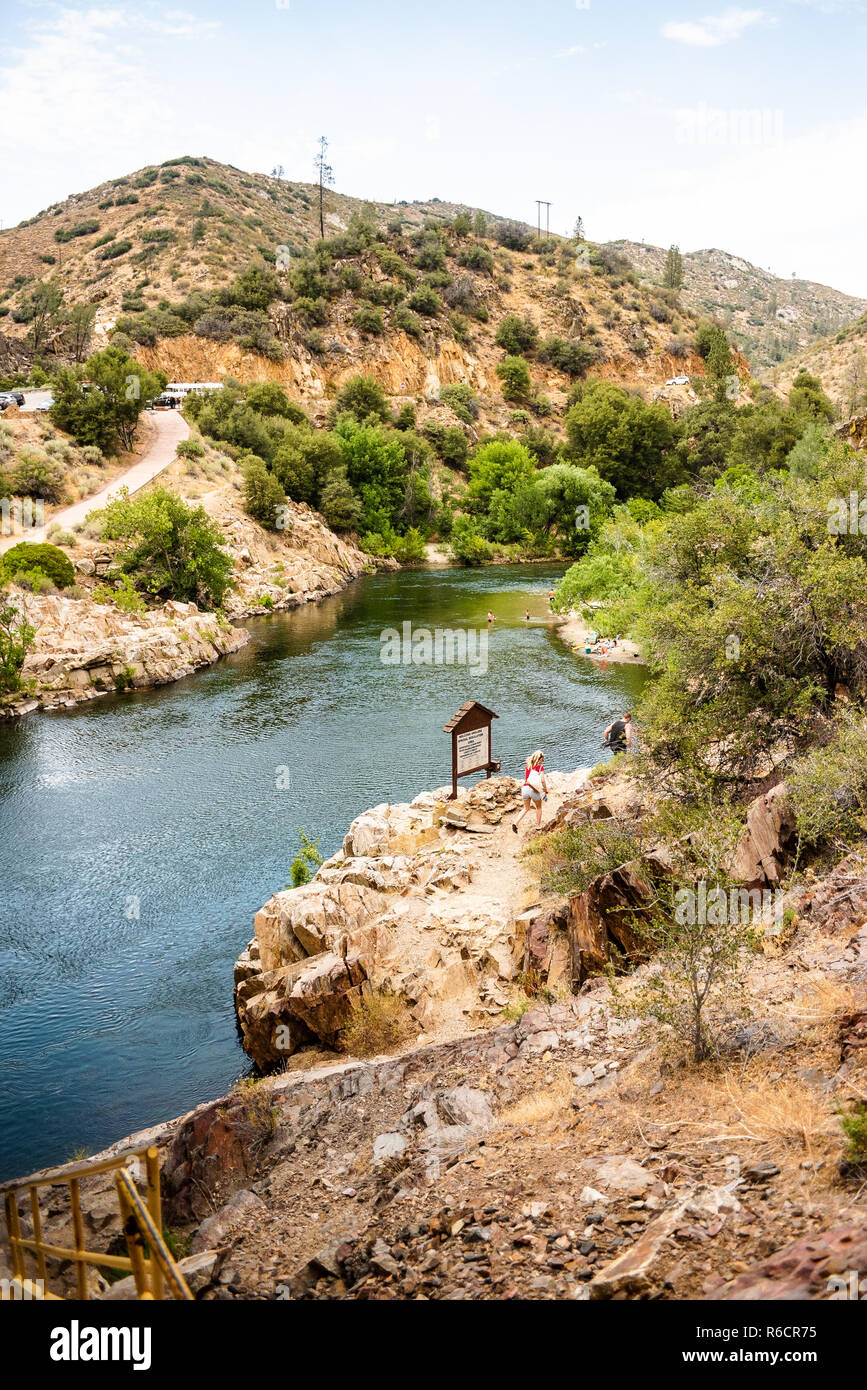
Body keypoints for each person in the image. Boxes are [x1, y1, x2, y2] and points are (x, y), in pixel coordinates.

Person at [513, 750, 548, 833]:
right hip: (533, 790)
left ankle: (515, 823)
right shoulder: (540, 767)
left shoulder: (528, 765)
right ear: (539, 759)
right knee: (539, 808)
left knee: (526, 808)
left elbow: (528, 777)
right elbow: (542, 780)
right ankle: (538, 826)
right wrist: (545, 790)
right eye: (541, 760)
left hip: (525, 788)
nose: (541, 762)